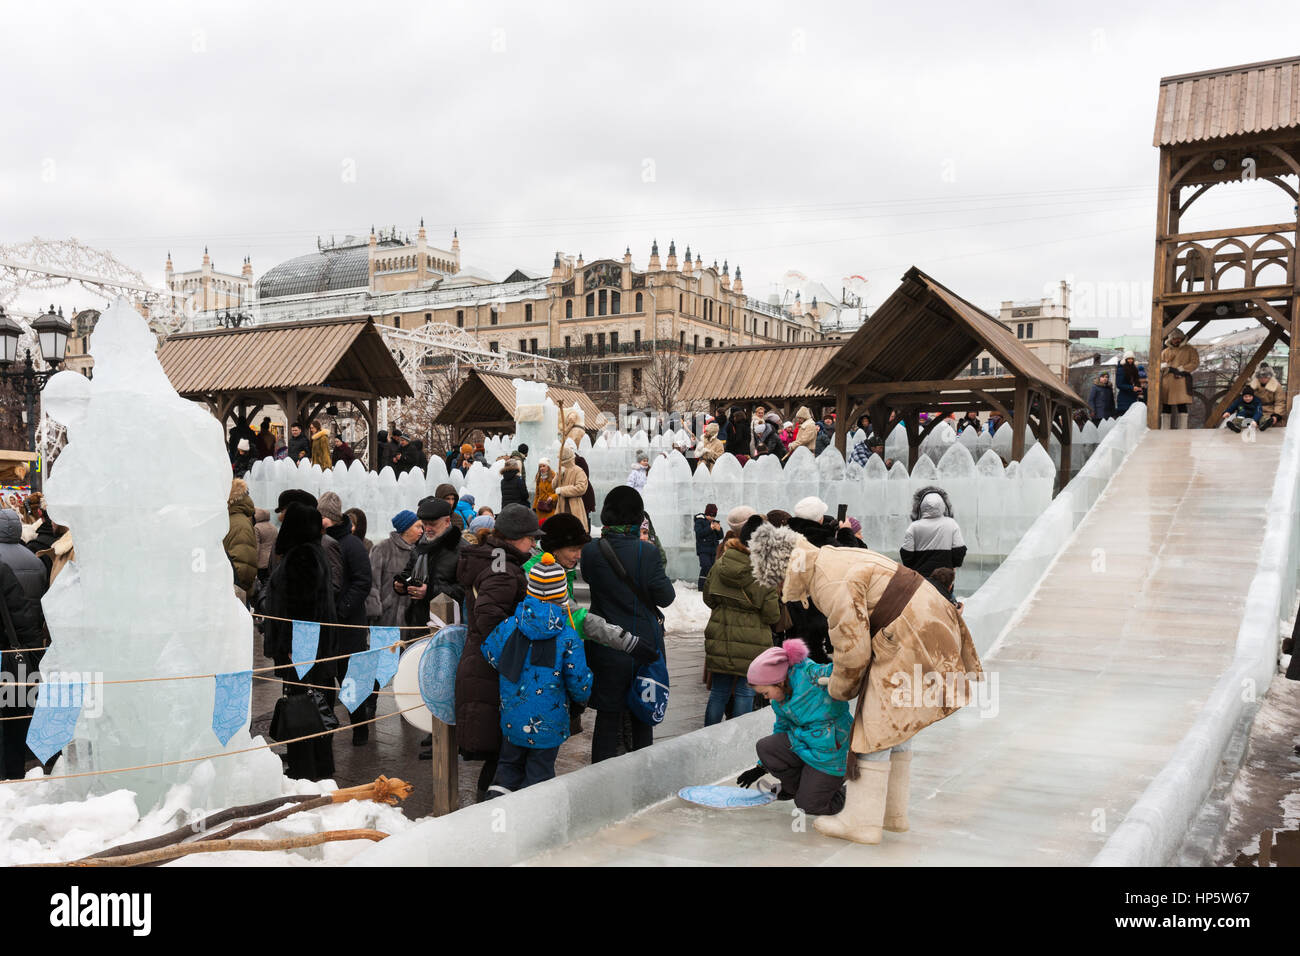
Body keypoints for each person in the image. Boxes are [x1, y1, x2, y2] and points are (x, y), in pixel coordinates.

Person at [747, 522, 982, 844]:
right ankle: (891, 814)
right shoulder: (831, 557)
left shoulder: (828, 581)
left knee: (873, 729)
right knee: (895, 725)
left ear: (784, 573)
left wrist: (838, 688)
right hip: (925, 620)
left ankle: (862, 822)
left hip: (908, 634)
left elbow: (852, 650)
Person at [480, 553, 592, 798]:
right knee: (539, 774)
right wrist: (583, 695)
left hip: (512, 715)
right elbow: (579, 680)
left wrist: (511, 668)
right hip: (549, 722)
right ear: (563, 594)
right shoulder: (567, 636)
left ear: (529, 591)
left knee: (508, 766)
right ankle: (532, 820)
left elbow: (489, 650)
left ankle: (496, 811)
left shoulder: (510, 625)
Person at [579, 486, 675, 763]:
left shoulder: (591, 551)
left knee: (607, 716)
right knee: (642, 716)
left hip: (605, 646)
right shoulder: (647, 553)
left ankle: (600, 775)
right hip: (643, 647)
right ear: (636, 517)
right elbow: (666, 598)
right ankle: (641, 774)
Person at [456, 503, 540, 800]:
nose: (534, 543)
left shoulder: (498, 559)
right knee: (502, 749)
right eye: (531, 538)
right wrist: (517, 655)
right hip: (492, 668)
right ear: (515, 537)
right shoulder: (503, 568)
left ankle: (488, 811)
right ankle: (488, 815)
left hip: (484, 663)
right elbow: (489, 615)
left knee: (500, 749)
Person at [262, 502, 337, 780]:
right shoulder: (312, 552)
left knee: (302, 705)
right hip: (311, 648)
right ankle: (317, 763)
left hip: (302, 650)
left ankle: (306, 767)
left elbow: (300, 606)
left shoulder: (301, 556)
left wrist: (293, 651)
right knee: (314, 703)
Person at [737, 637, 851, 815]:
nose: (766, 698)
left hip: (831, 754)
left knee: (808, 806)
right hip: (806, 747)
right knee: (766, 747)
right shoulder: (779, 702)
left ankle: (848, 793)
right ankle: (797, 788)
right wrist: (760, 768)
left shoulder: (811, 675)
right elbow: (781, 730)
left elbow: (845, 670)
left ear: (778, 681)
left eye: (765, 692)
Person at [703, 514, 779, 726]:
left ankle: (707, 738)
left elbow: (708, 597)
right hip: (752, 641)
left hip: (720, 636)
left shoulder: (721, 563)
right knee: (745, 692)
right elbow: (772, 615)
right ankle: (736, 741)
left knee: (719, 692)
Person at [318, 492, 374, 745]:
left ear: (330, 518)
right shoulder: (324, 541)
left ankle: (360, 727)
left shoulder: (351, 544)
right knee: (326, 680)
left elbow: (363, 582)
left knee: (350, 679)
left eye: (322, 517)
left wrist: (340, 611)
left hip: (348, 625)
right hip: (329, 625)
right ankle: (326, 726)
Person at [0, 559, 45, 780]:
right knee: (13, 723)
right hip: (8, 662)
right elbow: (22, 617)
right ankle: (13, 777)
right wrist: (36, 660)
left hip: (7, 660)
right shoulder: (2, 568)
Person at [397, 497, 464, 628]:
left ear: (447, 521)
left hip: (447, 625)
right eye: (424, 524)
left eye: (432, 524)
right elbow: (409, 572)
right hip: (417, 622)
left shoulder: (462, 549)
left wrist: (429, 591)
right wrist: (401, 584)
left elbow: (464, 590)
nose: (427, 529)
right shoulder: (421, 545)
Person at [368, 510, 422, 628]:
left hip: (411, 618)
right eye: (417, 527)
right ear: (406, 529)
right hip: (385, 617)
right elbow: (372, 582)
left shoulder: (419, 552)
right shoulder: (382, 548)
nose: (421, 531)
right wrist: (375, 610)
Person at [900, 488, 966, 579]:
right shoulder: (951, 524)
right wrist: (952, 565)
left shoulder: (913, 527)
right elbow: (960, 551)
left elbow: (906, 555)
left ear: (920, 506)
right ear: (943, 505)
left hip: (920, 579)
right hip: (944, 579)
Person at [1159, 330, 1200, 429]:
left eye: (1178, 338)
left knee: (1182, 405)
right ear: (1171, 339)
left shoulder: (1190, 350)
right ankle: (1165, 429)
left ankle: (1183, 429)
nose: (1176, 340)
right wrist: (1163, 367)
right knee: (1166, 406)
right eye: (1174, 338)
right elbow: (1159, 364)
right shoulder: (1165, 351)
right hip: (1167, 382)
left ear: (1182, 338)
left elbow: (1195, 363)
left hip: (1181, 381)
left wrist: (1181, 369)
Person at [224, 479, 258, 596]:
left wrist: (232, 588)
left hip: (234, 595)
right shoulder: (232, 520)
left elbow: (244, 566)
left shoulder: (238, 523)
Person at [555, 441, 591, 531]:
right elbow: (554, 486)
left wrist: (563, 490)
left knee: (575, 531)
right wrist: (558, 475)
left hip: (574, 507)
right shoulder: (561, 470)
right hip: (561, 505)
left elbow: (581, 488)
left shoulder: (578, 471)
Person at [694, 503, 722, 589]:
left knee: (708, 568)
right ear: (706, 513)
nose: (712, 517)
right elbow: (699, 534)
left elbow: (720, 537)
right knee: (706, 566)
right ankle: (711, 586)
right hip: (703, 549)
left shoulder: (715, 522)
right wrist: (710, 528)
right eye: (710, 515)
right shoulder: (700, 521)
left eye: (714, 516)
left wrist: (719, 530)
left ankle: (702, 587)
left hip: (713, 550)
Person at [1250, 363, 1286, 430]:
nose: (1263, 379)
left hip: (1270, 411)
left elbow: (1280, 402)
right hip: (1255, 409)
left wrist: (1276, 416)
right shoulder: (1252, 386)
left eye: (1266, 377)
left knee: (1272, 425)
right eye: (1261, 377)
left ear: (1270, 377)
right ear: (1257, 377)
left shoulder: (1276, 386)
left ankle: (1266, 422)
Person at [1115, 351, 1143, 416]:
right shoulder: (1121, 369)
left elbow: (1134, 381)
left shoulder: (1134, 369)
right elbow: (1119, 384)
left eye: (1132, 359)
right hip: (1124, 399)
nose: (1130, 360)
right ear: (1125, 359)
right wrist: (1132, 388)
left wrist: (1138, 389)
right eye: (1128, 359)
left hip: (1132, 397)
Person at [533, 458, 558, 526]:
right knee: (541, 527)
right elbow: (537, 494)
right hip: (540, 507)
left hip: (550, 506)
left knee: (549, 526)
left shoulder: (554, 477)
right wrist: (534, 507)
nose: (542, 468)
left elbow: (559, 492)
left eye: (544, 466)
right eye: (540, 466)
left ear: (548, 467)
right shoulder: (539, 477)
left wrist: (552, 497)